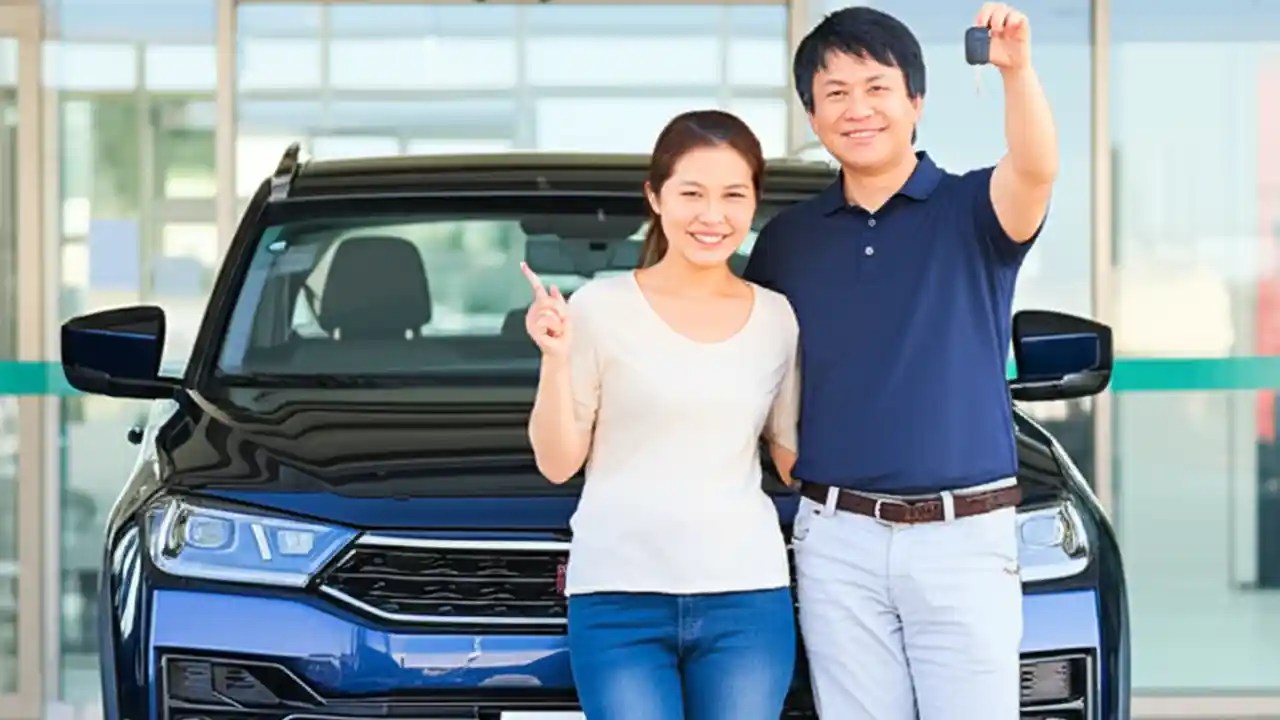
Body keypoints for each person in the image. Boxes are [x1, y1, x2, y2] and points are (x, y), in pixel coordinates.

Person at [743, 3, 1057, 719]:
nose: (858, 109)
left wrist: (1017, 71)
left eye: (876, 87)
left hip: (962, 540)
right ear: (813, 115)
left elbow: (1036, 169)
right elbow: (755, 368)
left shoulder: (974, 208)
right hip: (836, 542)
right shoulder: (789, 240)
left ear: (915, 100)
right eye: (836, 93)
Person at [522, 109, 802, 720]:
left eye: (733, 194)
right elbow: (557, 462)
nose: (712, 215)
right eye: (691, 193)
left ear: (755, 201)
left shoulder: (778, 318)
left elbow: (791, 458)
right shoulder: (599, 307)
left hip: (746, 599)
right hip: (619, 600)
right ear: (656, 197)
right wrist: (555, 357)